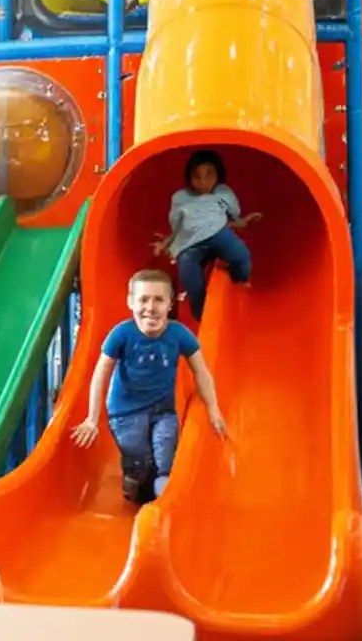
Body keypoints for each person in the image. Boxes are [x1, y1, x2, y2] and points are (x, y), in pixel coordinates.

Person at [71, 269, 227, 502]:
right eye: (143, 299)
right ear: (131, 302)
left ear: (169, 304)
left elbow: (201, 371)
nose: (150, 307)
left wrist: (213, 408)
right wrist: (93, 418)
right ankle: (135, 476)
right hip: (125, 413)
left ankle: (163, 505)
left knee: (165, 460)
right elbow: (100, 374)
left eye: (159, 300)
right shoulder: (121, 334)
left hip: (163, 411)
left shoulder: (178, 334)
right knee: (140, 461)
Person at [151, 149, 262, 320]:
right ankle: (200, 312)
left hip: (218, 234)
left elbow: (233, 218)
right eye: (197, 176)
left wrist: (245, 221)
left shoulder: (223, 193)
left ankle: (241, 279)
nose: (202, 181)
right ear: (189, 177)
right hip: (190, 242)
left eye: (208, 175)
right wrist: (166, 243)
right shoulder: (181, 197)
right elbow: (177, 227)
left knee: (240, 254)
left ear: (218, 176)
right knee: (188, 273)